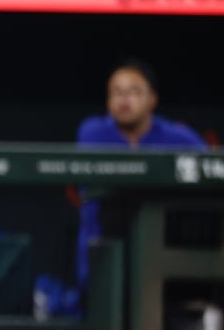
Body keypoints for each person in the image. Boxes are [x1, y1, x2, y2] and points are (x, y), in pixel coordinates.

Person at [74, 61, 207, 290]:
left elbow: (211, 167)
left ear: (152, 99)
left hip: (162, 238)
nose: (124, 99)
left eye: (134, 92)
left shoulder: (178, 136)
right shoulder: (92, 131)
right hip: (104, 236)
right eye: (117, 92)